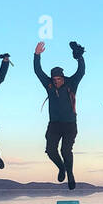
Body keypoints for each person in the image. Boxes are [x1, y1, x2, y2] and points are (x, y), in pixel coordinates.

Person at [33, 40, 86, 189]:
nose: (56, 81)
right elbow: (38, 71)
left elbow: (81, 71)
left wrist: (79, 57)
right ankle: (61, 167)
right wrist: (37, 55)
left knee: (65, 150)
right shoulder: (48, 85)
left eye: (59, 79)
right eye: (54, 79)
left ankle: (70, 174)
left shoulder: (71, 83)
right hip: (54, 124)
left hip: (70, 124)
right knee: (50, 150)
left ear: (63, 77)